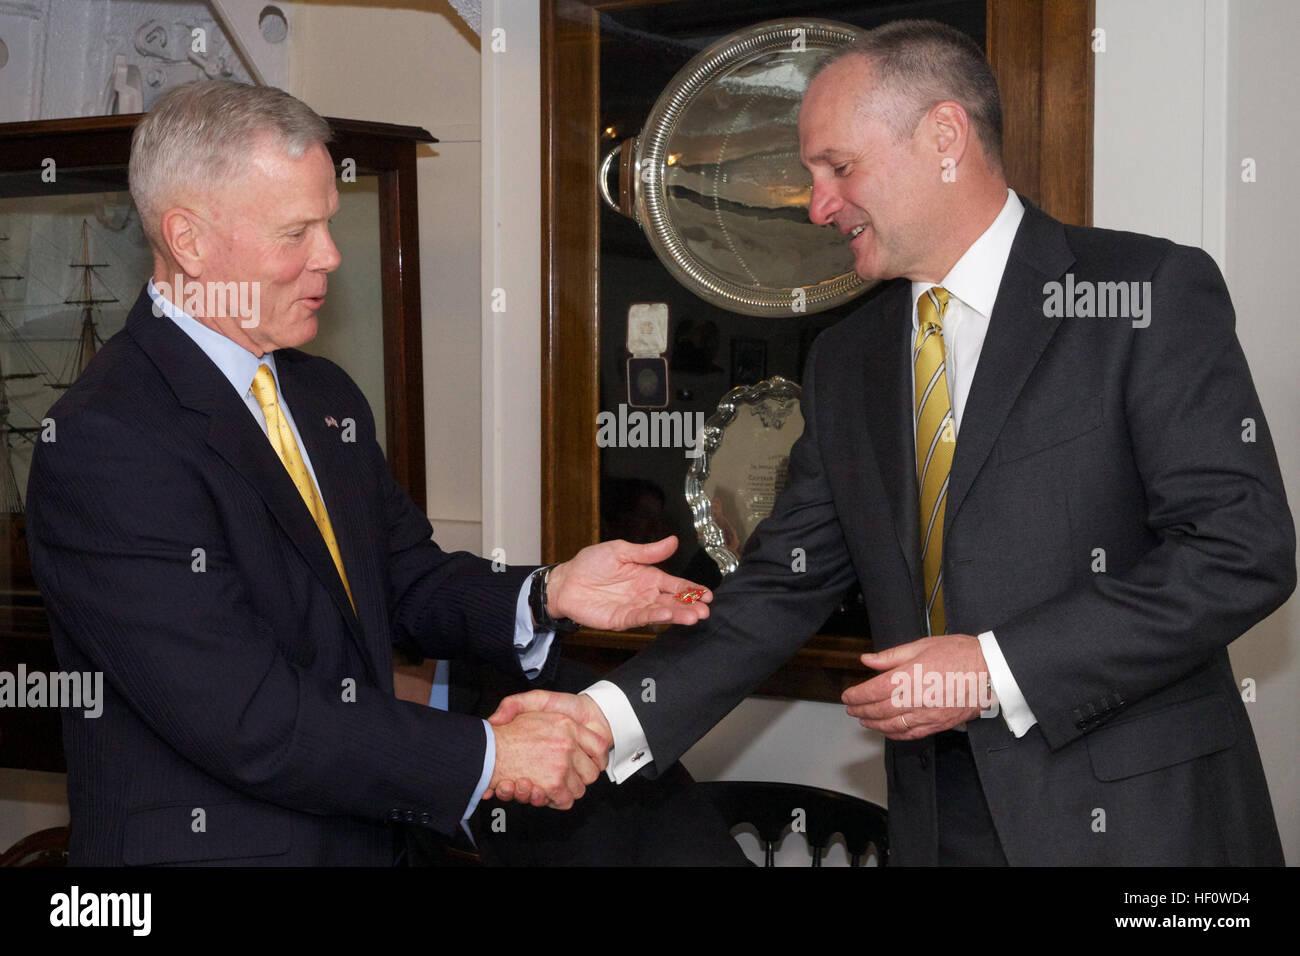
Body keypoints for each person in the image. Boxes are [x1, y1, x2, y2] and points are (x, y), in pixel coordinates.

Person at [490, 19, 1295, 865]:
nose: (817, 204)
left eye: (838, 167)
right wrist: (605, 716)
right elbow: (778, 589)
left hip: (1147, 828)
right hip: (939, 828)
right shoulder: (847, 361)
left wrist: (989, 669)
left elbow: (1241, 550)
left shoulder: (1143, 293)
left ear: (944, 137)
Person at [24, 80, 712, 866]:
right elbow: (248, 716)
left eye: (329, 221)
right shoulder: (107, 438)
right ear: (188, 239)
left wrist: (550, 592)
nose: (330, 255)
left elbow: (402, 582)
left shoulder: (320, 395)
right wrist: (488, 756)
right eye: (297, 231)